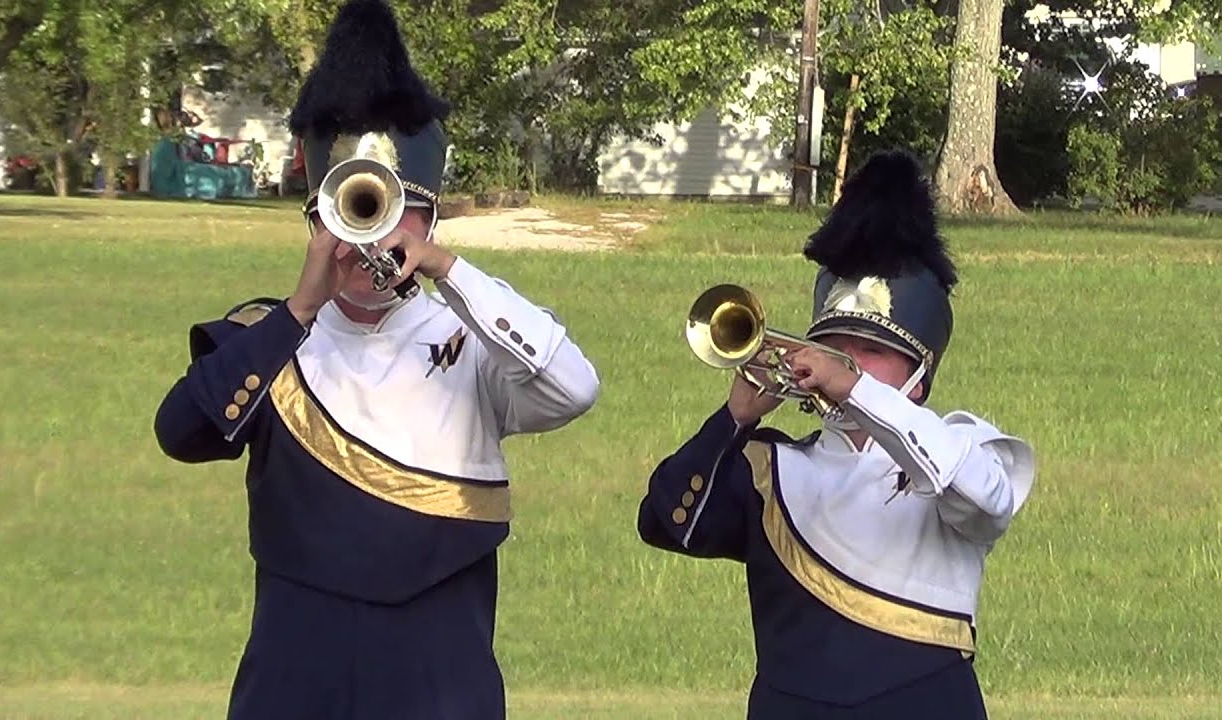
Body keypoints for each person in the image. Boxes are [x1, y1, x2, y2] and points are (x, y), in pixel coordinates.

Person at [152, 1, 600, 717]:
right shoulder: (267, 336)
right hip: (297, 667)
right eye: (356, 210)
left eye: (401, 213)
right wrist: (298, 311)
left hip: (437, 667)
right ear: (317, 219)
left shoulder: (473, 340)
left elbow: (575, 387)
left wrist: (449, 270)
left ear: (428, 220)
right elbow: (180, 433)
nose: (374, 234)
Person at [636, 149, 1035, 719]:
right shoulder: (767, 468)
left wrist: (855, 390)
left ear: (918, 379)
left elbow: (984, 498)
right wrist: (734, 418)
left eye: (872, 353)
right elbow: (667, 523)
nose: (843, 363)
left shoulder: (960, 446)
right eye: (836, 347)